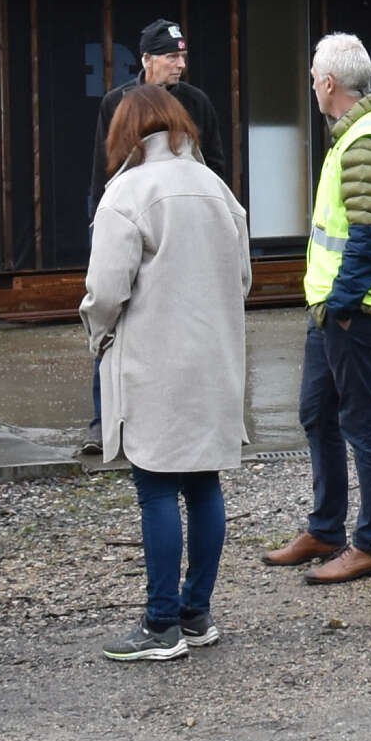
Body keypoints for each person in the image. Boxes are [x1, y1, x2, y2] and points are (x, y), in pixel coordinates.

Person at [84, 83, 252, 660]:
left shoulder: (126, 193)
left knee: (154, 485)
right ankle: (196, 612)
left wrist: (97, 334)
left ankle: (160, 626)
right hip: (214, 361)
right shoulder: (218, 190)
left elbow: (105, 290)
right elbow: (244, 279)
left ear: (126, 134)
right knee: (204, 483)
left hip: (153, 364)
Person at [268, 33, 371, 585]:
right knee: (317, 413)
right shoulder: (355, 133)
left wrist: (344, 307)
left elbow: (369, 237)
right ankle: (326, 528)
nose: (311, 86)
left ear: (328, 83)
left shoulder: (366, 140)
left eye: (312, 78)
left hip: (353, 309)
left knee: (363, 424)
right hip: (332, 306)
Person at [87, 18, 229, 207]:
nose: (181, 65)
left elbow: (214, 168)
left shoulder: (197, 102)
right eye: (172, 56)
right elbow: (103, 170)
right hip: (132, 208)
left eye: (183, 56)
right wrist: (100, 219)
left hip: (185, 210)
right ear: (147, 60)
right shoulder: (116, 102)